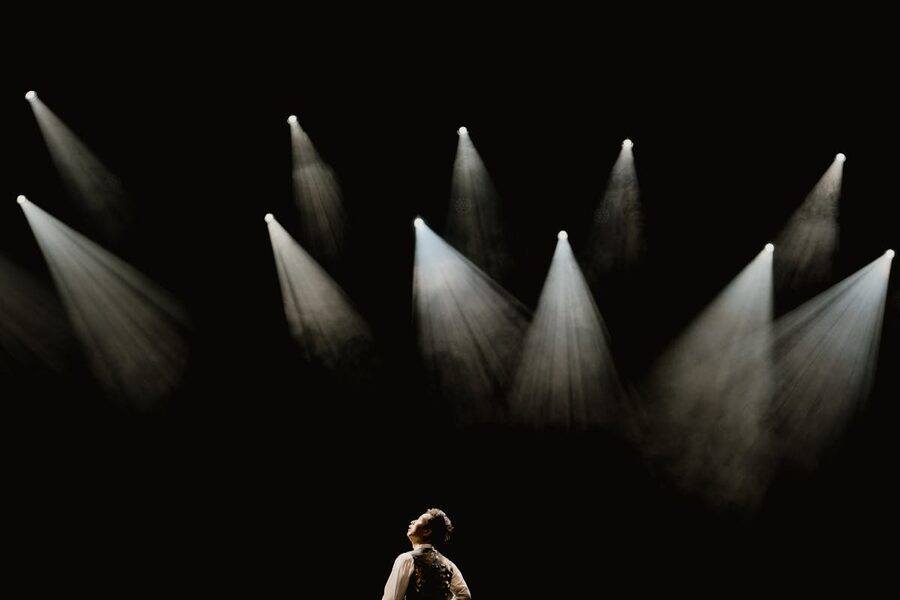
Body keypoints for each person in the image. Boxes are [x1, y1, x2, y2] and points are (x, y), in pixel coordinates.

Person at [381, 508, 471, 600]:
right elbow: (464, 595)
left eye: (418, 520)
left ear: (426, 531)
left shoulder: (407, 559)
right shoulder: (449, 565)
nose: (412, 522)